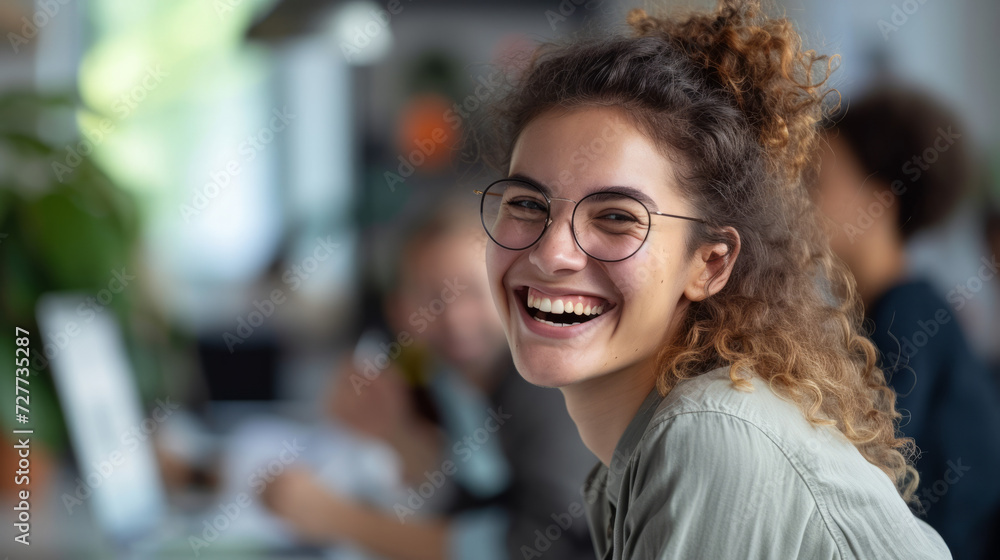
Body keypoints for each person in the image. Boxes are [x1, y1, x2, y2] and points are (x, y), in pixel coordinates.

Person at [475, 1, 951, 558]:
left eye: (616, 217)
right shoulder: (628, 462)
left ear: (709, 264)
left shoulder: (709, 434)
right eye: (527, 203)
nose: (553, 252)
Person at [265, 202, 596, 560]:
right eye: (432, 300)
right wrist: (395, 435)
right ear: (399, 311)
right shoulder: (437, 378)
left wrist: (338, 519)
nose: (456, 320)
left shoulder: (552, 385)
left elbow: (539, 547)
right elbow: (469, 505)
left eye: (471, 292)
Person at [814, 87, 1000, 560]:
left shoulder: (909, 312)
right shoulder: (894, 308)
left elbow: (865, 464)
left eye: (818, 182)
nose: (799, 200)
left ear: (878, 202)